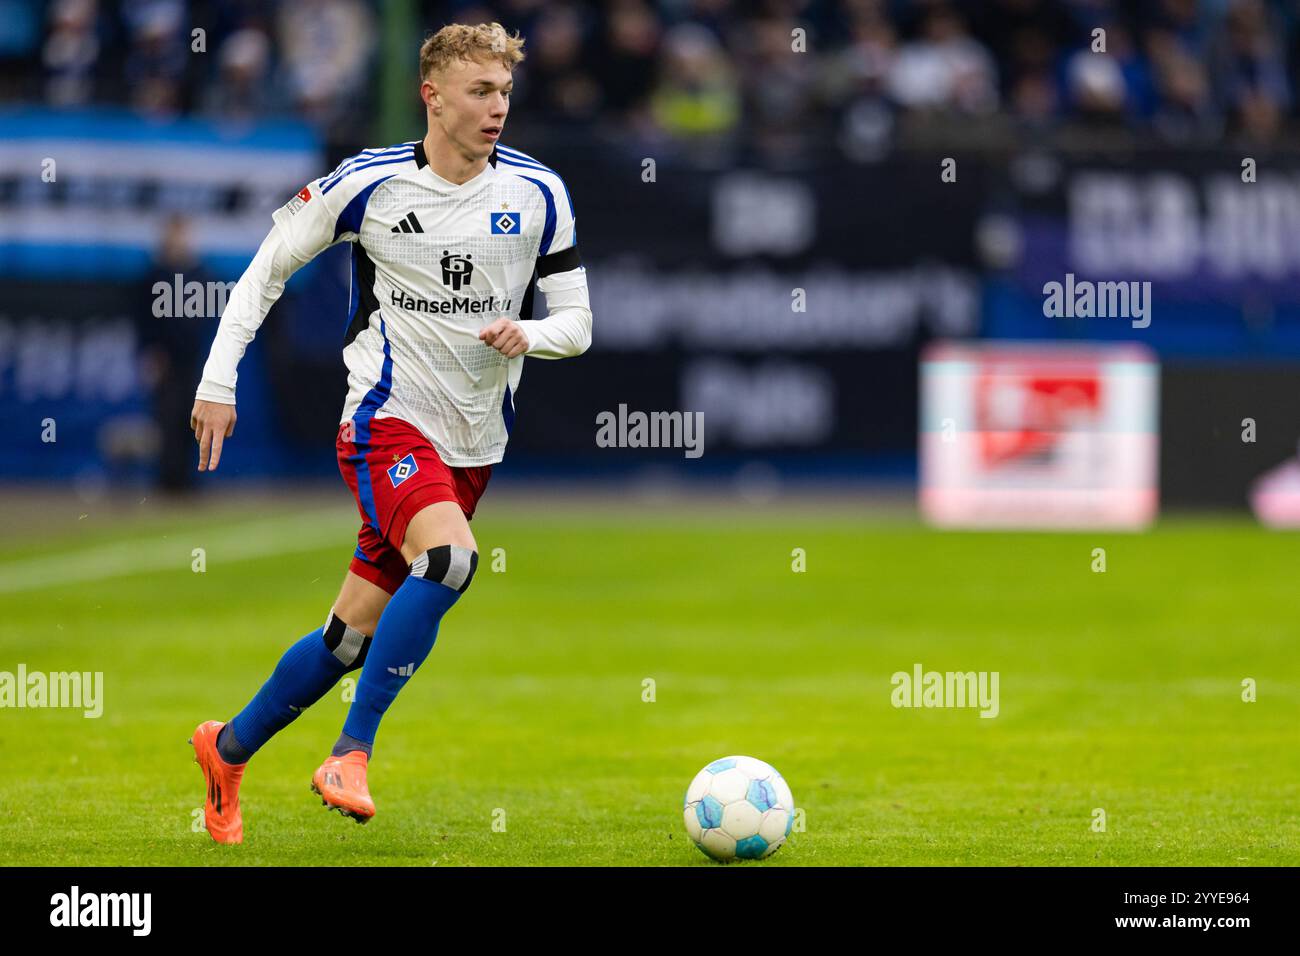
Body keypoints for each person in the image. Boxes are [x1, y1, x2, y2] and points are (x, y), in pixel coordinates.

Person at [186, 21, 591, 844]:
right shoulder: (367, 184)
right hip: (383, 421)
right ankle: (351, 753)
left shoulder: (539, 191)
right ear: (431, 96)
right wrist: (217, 379)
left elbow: (578, 322)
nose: (497, 108)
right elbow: (267, 268)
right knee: (448, 562)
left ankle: (225, 749)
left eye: (505, 92)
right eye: (480, 91)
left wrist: (531, 335)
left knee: (346, 639)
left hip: (473, 444)